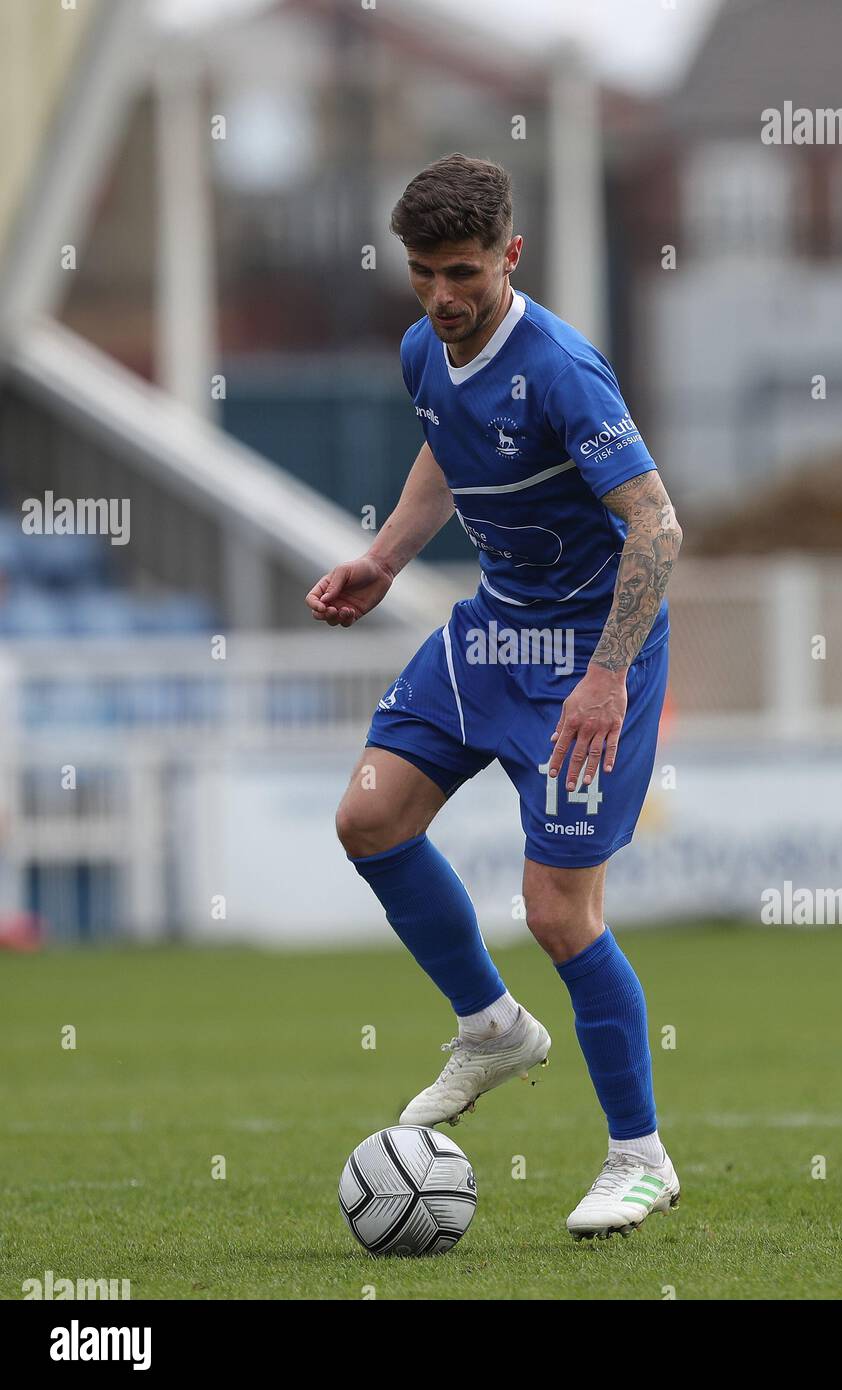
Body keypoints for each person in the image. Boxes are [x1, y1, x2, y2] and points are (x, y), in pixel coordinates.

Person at [307, 153, 683, 1240]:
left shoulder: (561, 368)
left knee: (557, 911)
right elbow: (445, 453)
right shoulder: (422, 348)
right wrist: (384, 557)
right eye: (422, 273)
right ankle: (490, 1026)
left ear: (509, 256)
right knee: (368, 818)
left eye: (462, 272)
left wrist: (606, 673)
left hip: (587, 650)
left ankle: (638, 1155)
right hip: (490, 629)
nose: (440, 296)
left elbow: (656, 524)